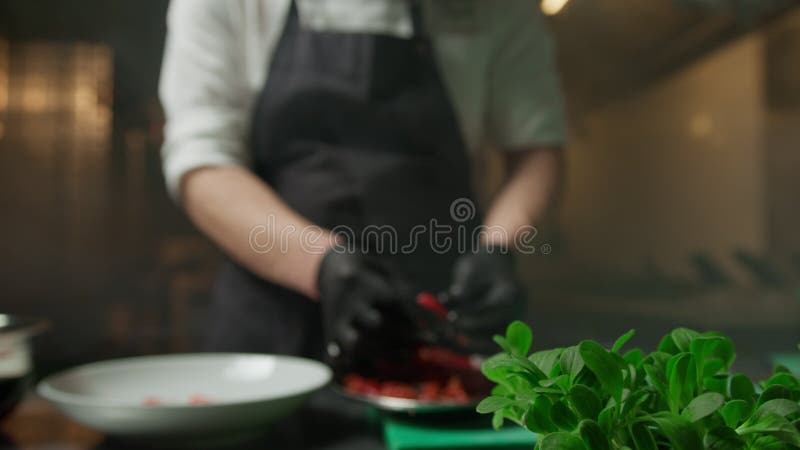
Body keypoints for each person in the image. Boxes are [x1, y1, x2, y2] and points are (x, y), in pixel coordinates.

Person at [159, 0, 566, 366]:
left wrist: (500, 247)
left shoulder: (501, 8)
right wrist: (323, 265)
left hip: (443, 323)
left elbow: (537, 151)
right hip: (272, 335)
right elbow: (203, 165)